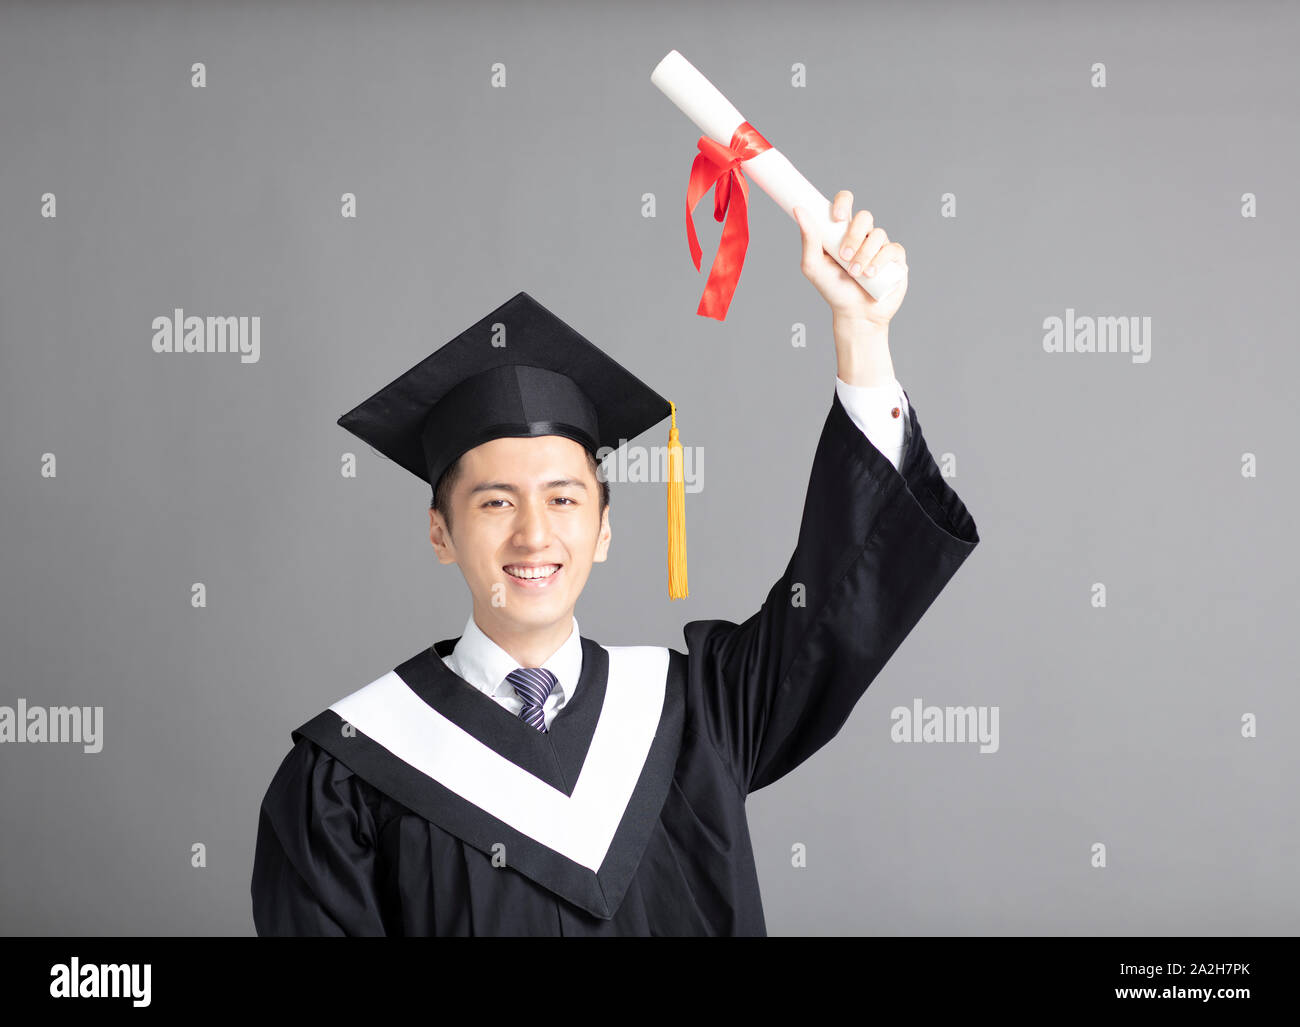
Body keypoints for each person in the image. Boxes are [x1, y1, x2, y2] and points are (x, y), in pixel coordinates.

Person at [250, 191, 980, 935]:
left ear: (604, 528)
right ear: (440, 532)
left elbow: (837, 599)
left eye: (564, 500)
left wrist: (861, 333)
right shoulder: (349, 771)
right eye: (496, 503)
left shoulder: (701, 707)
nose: (535, 537)